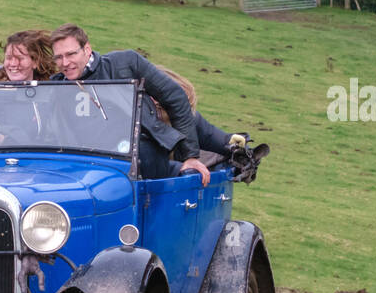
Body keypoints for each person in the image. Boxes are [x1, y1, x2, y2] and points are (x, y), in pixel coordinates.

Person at [50, 23, 236, 183]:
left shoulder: (124, 64)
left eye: (71, 54)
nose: (65, 62)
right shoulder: (55, 86)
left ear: (87, 49)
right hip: (83, 165)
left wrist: (191, 157)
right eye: (58, 57)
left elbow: (176, 97)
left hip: (139, 161)